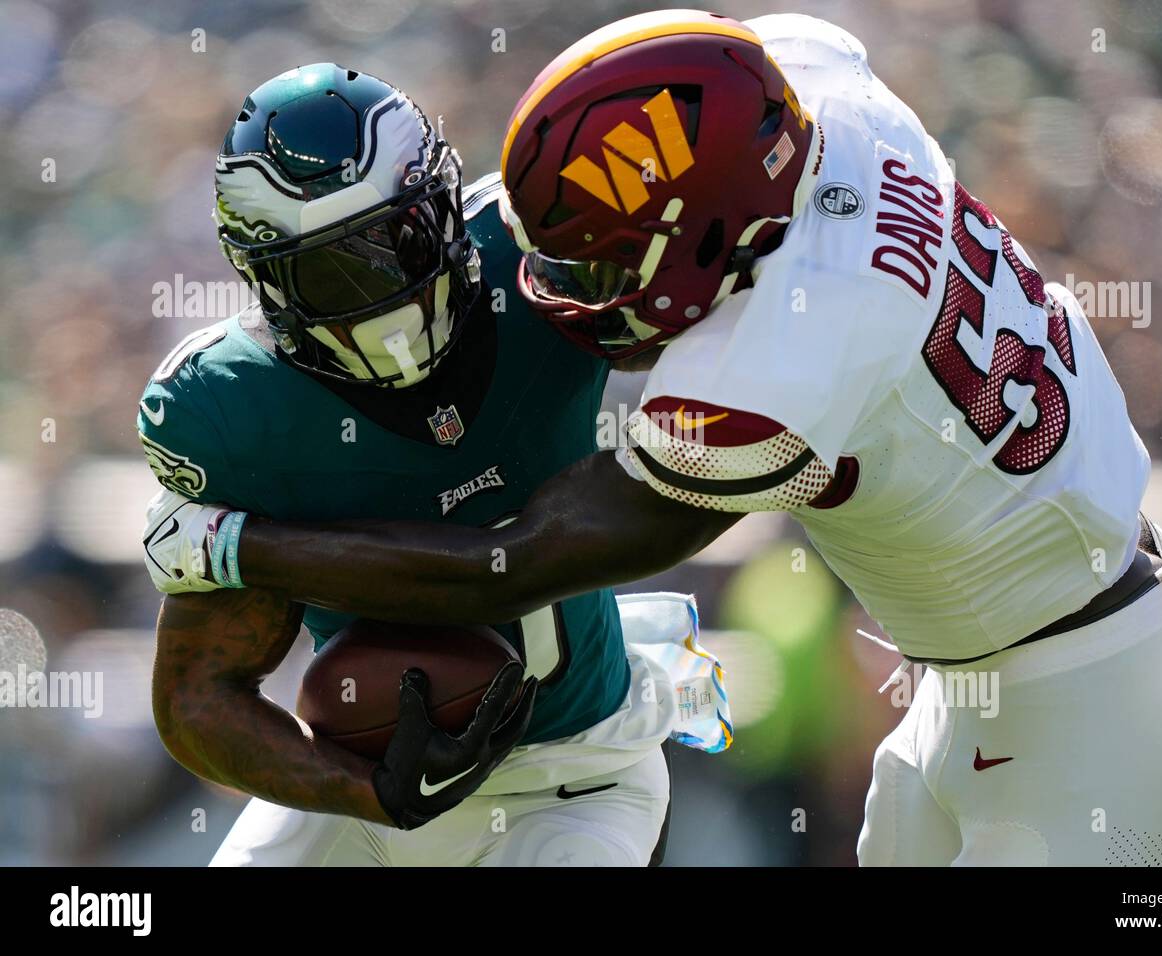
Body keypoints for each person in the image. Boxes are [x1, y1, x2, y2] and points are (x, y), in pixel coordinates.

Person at [147, 14, 1162, 866]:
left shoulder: (772, 367)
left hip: (1098, 693)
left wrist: (236, 544)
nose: (573, 291)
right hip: (998, 666)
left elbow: (517, 557)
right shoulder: (821, 96)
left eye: (609, 257)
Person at [139, 63, 729, 867]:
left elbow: (499, 572)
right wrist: (363, 792)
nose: (383, 293)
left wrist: (236, 545)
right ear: (267, 282)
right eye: (332, 270)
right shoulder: (234, 410)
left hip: (579, 774)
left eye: (399, 239)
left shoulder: (537, 260)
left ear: (446, 208)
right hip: (371, 784)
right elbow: (196, 698)